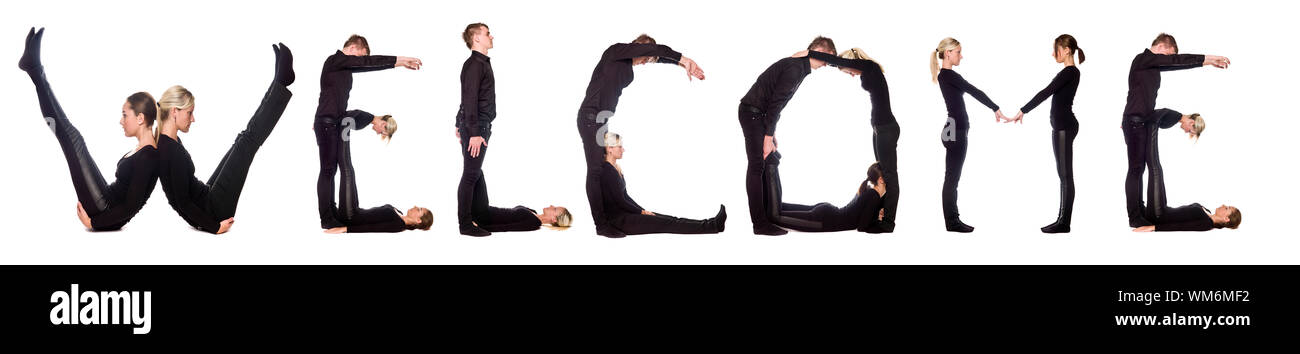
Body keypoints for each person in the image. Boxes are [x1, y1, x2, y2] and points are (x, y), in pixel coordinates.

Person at [18, 27, 159, 231]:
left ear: (140, 118)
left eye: (124, 115)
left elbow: (131, 207)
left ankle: (34, 69)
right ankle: (34, 69)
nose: (121, 121)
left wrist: (95, 223)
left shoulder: (149, 156)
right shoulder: (142, 149)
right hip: (105, 200)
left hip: (105, 211)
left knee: (72, 138)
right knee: (72, 137)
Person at [575, 34, 704, 238]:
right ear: (638, 46)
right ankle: (601, 224)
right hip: (590, 118)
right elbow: (656, 51)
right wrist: (683, 59)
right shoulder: (616, 51)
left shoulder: (629, 65)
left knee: (607, 167)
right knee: (596, 170)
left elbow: (658, 56)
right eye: (646, 56)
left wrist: (679, 65)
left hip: (602, 120)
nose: (646, 62)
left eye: (649, 60)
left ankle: (615, 214)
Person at [156, 44, 295, 234]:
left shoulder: (168, 141)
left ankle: (278, 83)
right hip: (214, 210)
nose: (193, 118)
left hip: (207, 196)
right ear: (174, 111)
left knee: (243, 139)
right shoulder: (167, 150)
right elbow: (181, 202)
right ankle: (280, 83)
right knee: (247, 142)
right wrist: (213, 226)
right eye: (189, 113)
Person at [1121, 33, 1229, 227]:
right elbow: (1177, 60)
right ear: (1163, 47)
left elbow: (1178, 63)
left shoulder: (1151, 64)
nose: (1168, 60)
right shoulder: (1144, 58)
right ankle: (1134, 216)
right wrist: (1210, 57)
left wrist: (1206, 64)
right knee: (1136, 170)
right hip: (1135, 121)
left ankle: (1140, 211)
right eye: (1168, 55)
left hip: (1138, 120)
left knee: (1140, 169)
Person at [315, 34, 422, 229]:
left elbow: (333, 95)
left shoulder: (342, 67)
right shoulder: (336, 60)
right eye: (361, 57)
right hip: (328, 122)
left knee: (331, 170)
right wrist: (399, 61)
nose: (360, 62)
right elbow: (369, 63)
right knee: (328, 171)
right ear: (354, 48)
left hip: (329, 121)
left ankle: (332, 213)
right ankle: (326, 218)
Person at [792, 46, 897, 233]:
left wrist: (810, 54)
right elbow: (842, 64)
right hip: (879, 129)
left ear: (853, 61)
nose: (851, 75)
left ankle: (888, 223)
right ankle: (878, 212)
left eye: (849, 71)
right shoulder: (866, 72)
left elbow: (841, 62)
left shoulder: (869, 67)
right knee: (881, 171)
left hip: (886, 129)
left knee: (890, 177)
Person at [739, 36, 837, 236]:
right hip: (752, 114)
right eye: (830, 57)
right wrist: (767, 137)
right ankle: (759, 224)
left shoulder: (799, 66)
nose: (828, 63)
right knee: (757, 166)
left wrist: (771, 132)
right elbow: (775, 103)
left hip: (759, 115)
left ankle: (770, 213)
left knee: (769, 160)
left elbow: (777, 103)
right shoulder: (795, 68)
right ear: (821, 51)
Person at [1005, 34, 1083, 233]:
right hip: (1061, 127)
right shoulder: (1068, 72)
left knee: (1066, 176)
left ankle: (1063, 223)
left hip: (1065, 126)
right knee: (1063, 175)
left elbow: (1046, 92)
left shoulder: (1070, 71)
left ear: (1066, 50)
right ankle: (1061, 220)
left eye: (1055, 49)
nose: (1052, 54)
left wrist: (1023, 110)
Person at [931, 37, 1008, 233]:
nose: (961, 56)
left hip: (952, 129)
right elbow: (975, 91)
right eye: (958, 52)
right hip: (955, 131)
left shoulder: (945, 76)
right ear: (948, 53)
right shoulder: (949, 75)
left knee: (951, 178)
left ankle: (952, 220)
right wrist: (995, 108)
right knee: (952, 179)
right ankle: (952, 222)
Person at [599, 133, 725, 236]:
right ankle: (713, 225)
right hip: (620, 221)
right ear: (609, 149)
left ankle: (712, 224)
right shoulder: (607, 171)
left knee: (671, 219)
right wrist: (641, 212)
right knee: (669, 223)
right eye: (619, 147)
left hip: (627, 214)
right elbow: (620, 201)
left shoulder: (615, 168)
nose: (623, 150)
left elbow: (625, 196)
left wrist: (642, 210)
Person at [766, 155, 886, 233]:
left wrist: (877, 215)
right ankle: (771, 163)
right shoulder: (873, 195)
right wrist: (880, 225)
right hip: (824, 220)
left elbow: (860, 217)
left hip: (826, 213)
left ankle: (772, 162)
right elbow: (862, 227)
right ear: (880, 179)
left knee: (779, 208)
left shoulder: (868, 189)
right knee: (774, 216)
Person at [455, 23, 499, 236]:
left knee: (475, 172)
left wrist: (458, 122)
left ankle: (478, 217)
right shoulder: (474, 64)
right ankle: (465, 224)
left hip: (476, 125)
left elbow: (466, 97)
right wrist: (473, 132)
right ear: (476, 39)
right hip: (477, 126)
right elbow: (470, 98)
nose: (492, 36)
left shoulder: (479, 63)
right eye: (487, 33)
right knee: (471, 174)